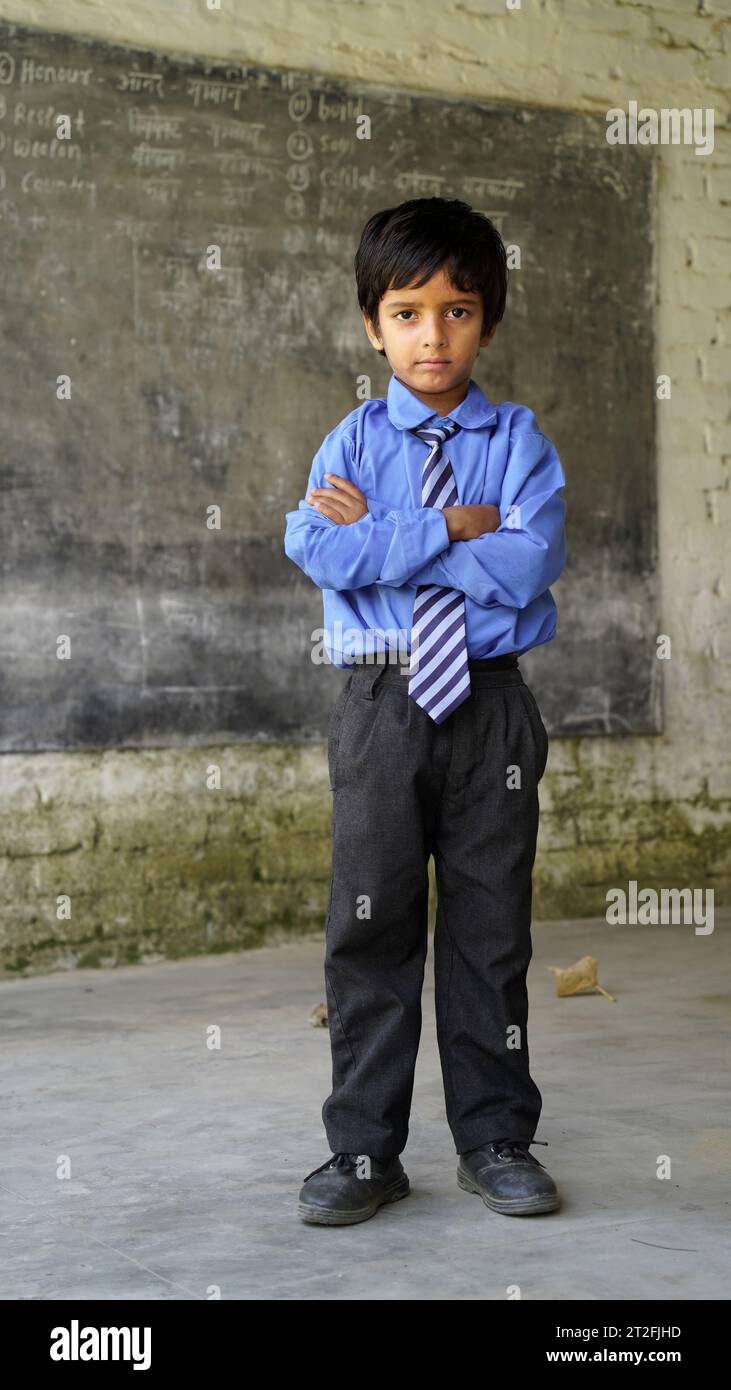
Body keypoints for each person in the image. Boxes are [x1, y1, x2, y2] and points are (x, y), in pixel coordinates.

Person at [283, 196, 566, 1226]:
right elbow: (317, 549)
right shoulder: (347, 443)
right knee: (370, 923)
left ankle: (495, 1137)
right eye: (405, 311)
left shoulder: (519, 440)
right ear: (372, 325)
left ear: (485, 319)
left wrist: (389, 544)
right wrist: (447, 521)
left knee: (490, 931)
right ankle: (363, 1153)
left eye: (454, 310)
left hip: (489, 705)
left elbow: (530, 560)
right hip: (379, 704)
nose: (430, 334)